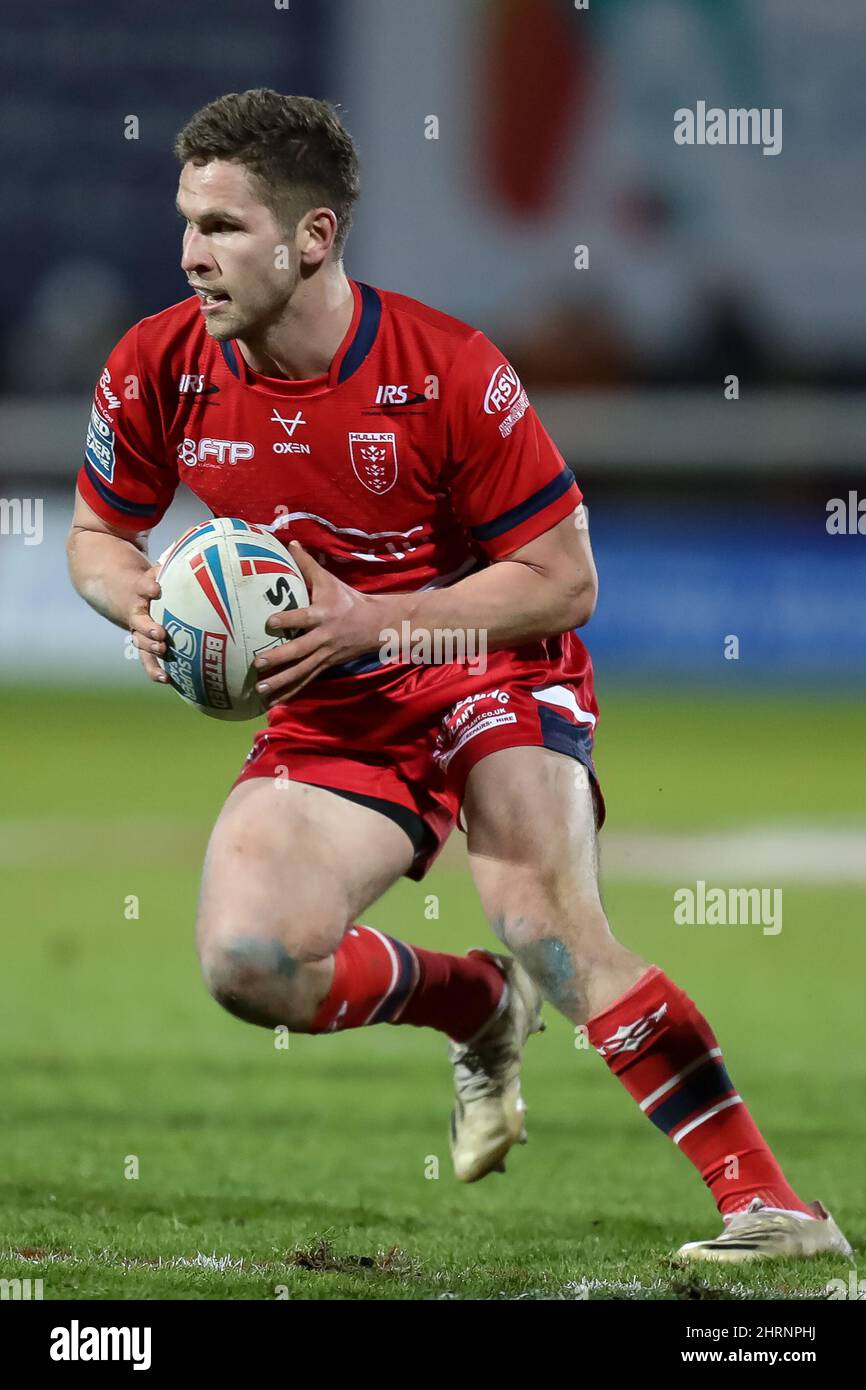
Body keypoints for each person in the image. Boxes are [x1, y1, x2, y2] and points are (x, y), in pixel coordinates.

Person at [68, 89, 849, 1263]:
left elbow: (562, 580)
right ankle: (474, 1006)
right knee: (249, 959)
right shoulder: (159, 364)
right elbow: (95, 537)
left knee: (542, 921)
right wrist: (143, 605)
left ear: (313, 238)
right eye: (187, 222)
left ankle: (769, 1206)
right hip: (332, 701)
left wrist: (380, 621)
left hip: (484, 665)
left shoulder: (447, 370)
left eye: (224, 227)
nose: (192, 256)